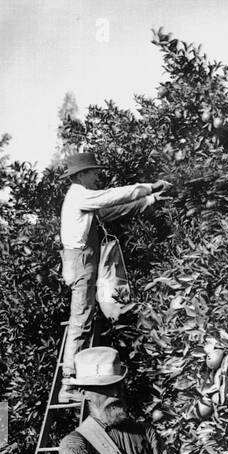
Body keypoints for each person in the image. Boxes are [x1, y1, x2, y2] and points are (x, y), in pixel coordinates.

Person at [58, 151, 168, 396]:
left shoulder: (82, 199)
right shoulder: (80, 196)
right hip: (81, 261)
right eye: (94, 172)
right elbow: (111, 197)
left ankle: (74, 374)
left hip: (81, 260)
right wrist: (148, 187)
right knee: (81, 318)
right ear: (82, 174)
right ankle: (68, 381)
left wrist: (151, 200)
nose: (98, 175)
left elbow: (110, 213)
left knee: (85, 316)